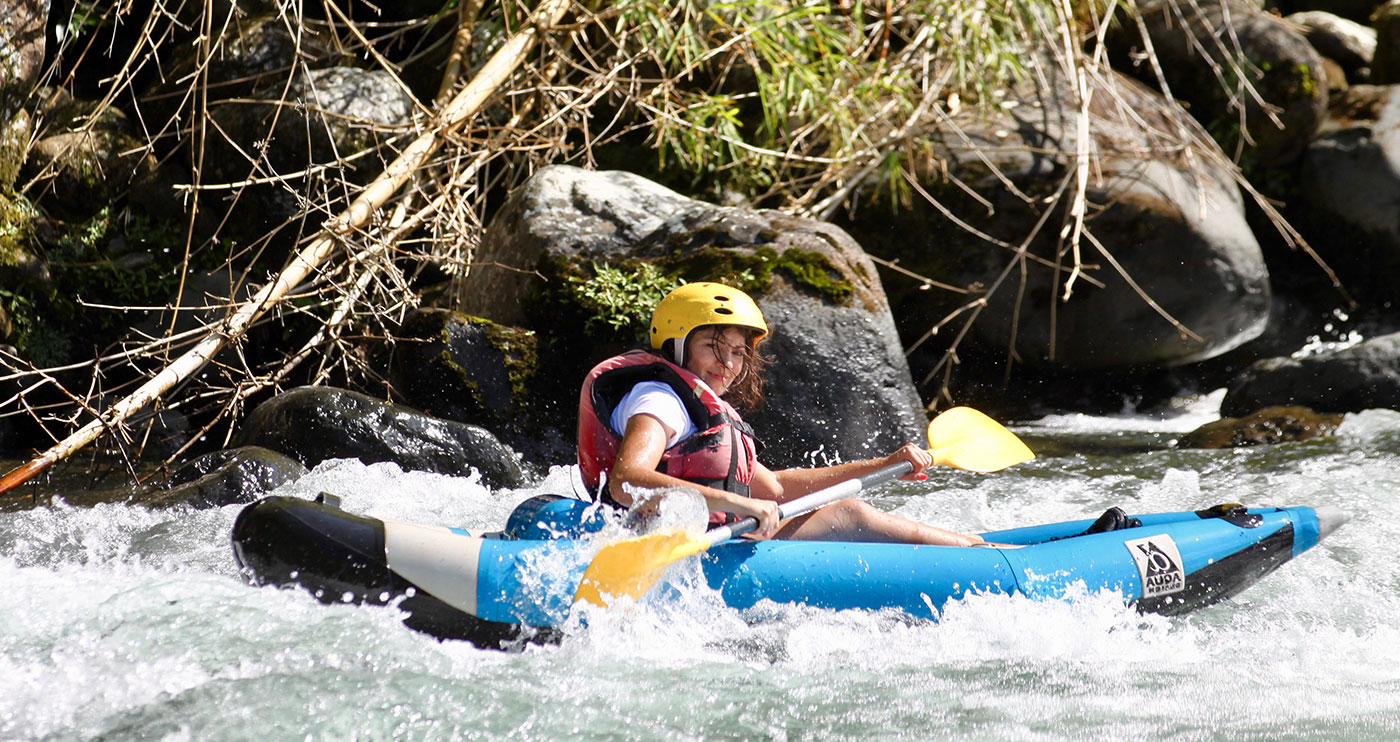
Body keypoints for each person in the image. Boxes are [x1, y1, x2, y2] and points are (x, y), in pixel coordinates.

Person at [576, 281, 993, 546]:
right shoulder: (660, 400)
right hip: (659, 541)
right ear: (676, 345)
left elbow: (773, 489)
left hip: (706, 535)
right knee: (851, 516)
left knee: (849, 511)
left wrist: (887, 464)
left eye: (738, 352)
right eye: (712, 347)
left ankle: (972, 546)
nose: (727, 363)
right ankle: (978, 553)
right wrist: (735, 505)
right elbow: (627, 481)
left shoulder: (697, 409)